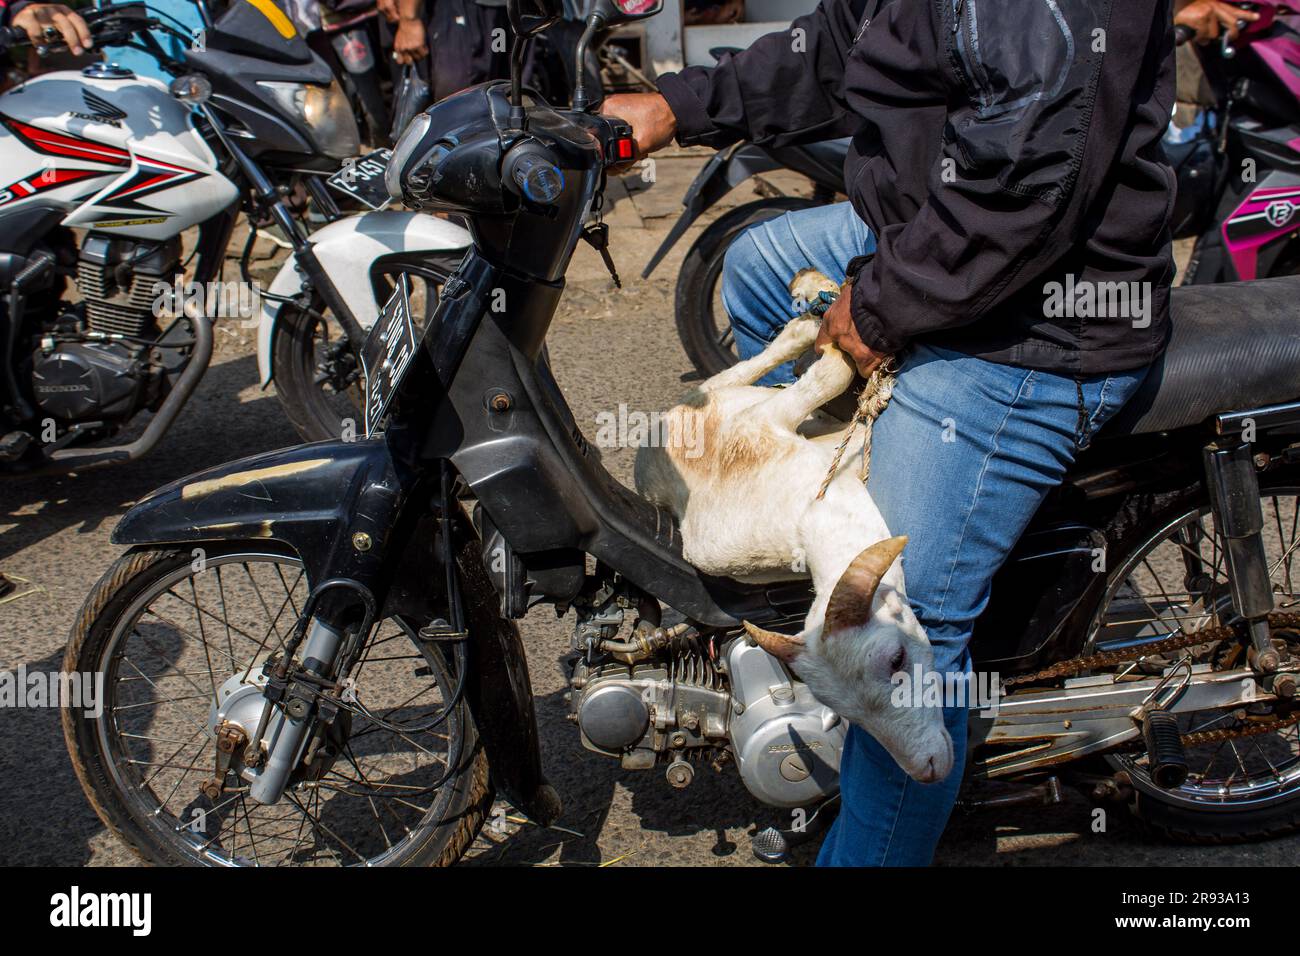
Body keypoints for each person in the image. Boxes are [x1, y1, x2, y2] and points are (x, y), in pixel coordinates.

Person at [604, 0, 1178, 865]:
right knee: (757, 268)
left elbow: (1025, 183)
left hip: (1039, 313)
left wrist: (878, 307)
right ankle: (833, 531)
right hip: (935, 231)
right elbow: (840, 40)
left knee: (899, 635)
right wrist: (677, 105)